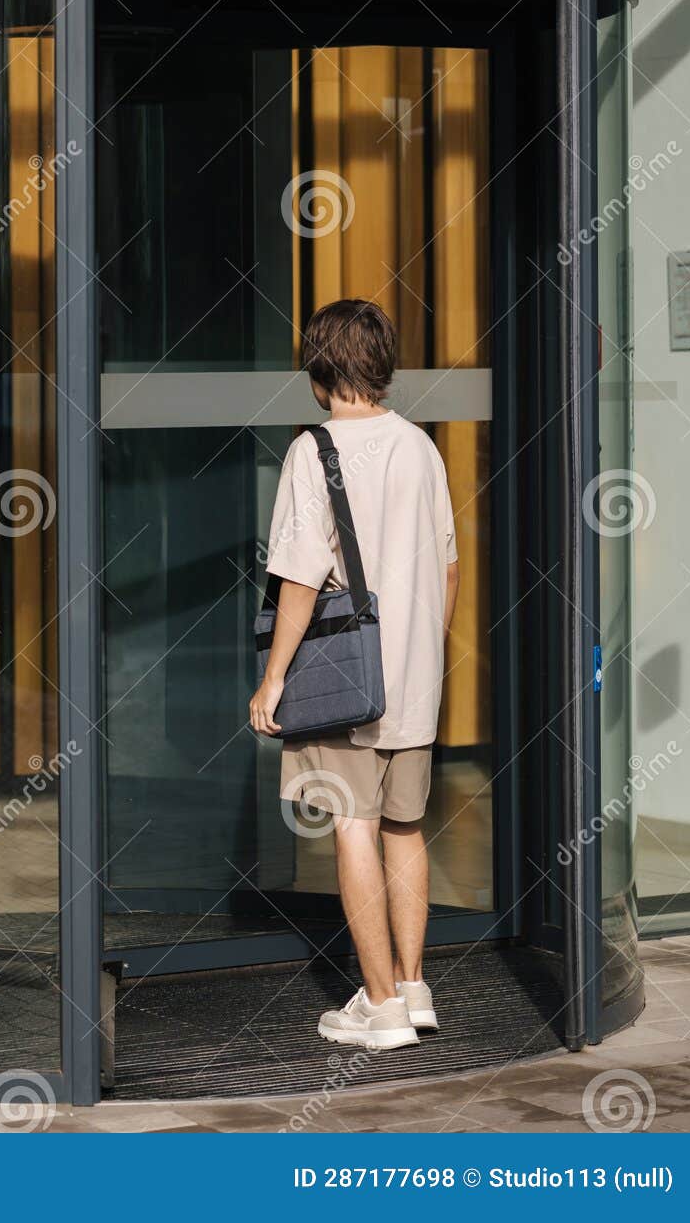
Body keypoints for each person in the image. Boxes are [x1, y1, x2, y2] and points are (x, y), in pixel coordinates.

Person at [249, 298, 459, 1051]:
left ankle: (378, 1010)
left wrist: (274, 680)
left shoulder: (314, 450)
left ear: (319, 372)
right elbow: (448, 563)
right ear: (382, 366)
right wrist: (425, 652)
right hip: (414, 677)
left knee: (351, 824)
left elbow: (302, 580)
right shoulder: (419, 447)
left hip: (347, 679)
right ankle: (412, 985)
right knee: (405, 827)